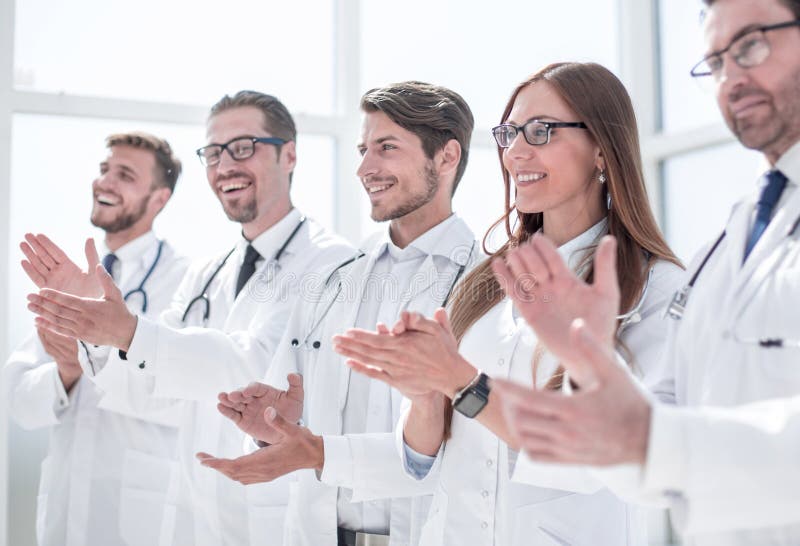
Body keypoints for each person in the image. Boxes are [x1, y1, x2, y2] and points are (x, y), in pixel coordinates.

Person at [331, 63, 685, 545]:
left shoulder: (652, 287)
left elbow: (606, 454)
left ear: (602, 147)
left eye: (540, 132)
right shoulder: (484, 280)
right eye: (509, 133)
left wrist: (462, 382)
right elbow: (421, 458)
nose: (514, 152)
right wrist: (425, 395)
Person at [488, 1, 800, 544]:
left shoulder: (669, 278)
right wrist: (590, 363)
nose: (733, 77)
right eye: (716, 61)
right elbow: (656, 454)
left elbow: (664, 440)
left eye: (751, 44)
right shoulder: (726, 247)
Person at [26, 91, 355, 546]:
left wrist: (126, 330)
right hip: (196, 518)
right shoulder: (206, 274)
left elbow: (254, 365)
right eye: (214, 153)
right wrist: (97, 333)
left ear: (290, 155)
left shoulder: (332, 262)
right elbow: (148, 393)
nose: (225, 166)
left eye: (243, 147)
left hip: (277, 521)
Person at [197, 81, 478, 546]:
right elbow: (300, 410)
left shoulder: (483, 283)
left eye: (386, 148)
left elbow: (470, 440)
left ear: (446, 158)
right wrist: (280, 424)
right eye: (363, 149)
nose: (365, 168)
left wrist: (318, 451)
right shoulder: (335, 279)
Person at [4, 132, 189, 546]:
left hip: (141, 512)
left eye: (124, 174)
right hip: (66, 511)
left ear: (159, 199)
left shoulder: (183, 282)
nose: (104, 182)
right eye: (104, 169)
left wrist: (97, 354)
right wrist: (67, 369)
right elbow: (19, 402)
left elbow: (182, 397)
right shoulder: (71, 277)